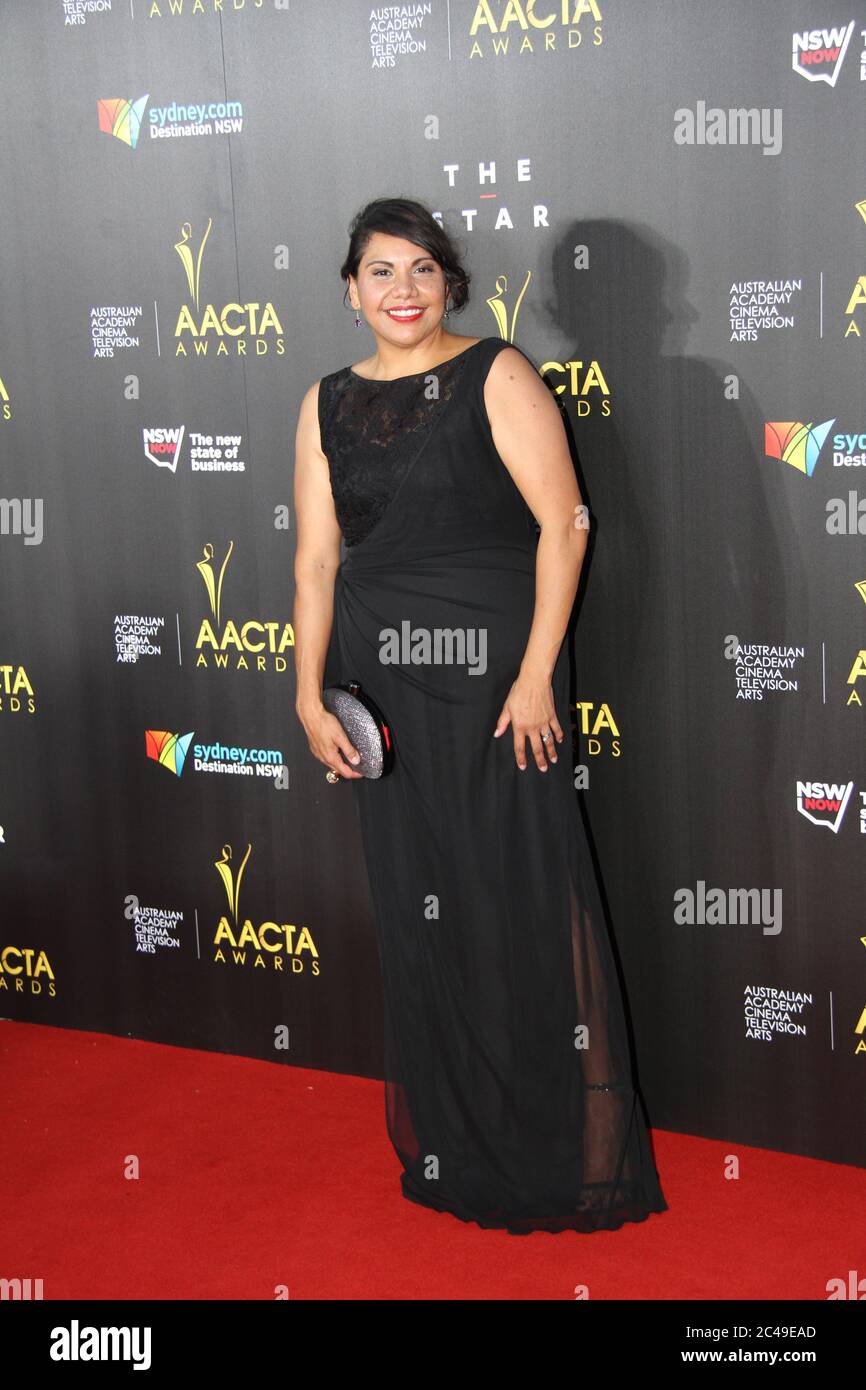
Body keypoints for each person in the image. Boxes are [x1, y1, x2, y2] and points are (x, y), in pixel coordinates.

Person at [292, 196, 668, 1235]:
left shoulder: (495, 372)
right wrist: (304, 691)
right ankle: (461, 1138)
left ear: (448, 283)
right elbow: (317, 560)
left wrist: (538, 671)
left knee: (524, 894)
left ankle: (563, 1148)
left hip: (501, 676)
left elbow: (564, 523)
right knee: (427, 899)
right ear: (349, 287)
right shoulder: (323, 400)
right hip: (388, 684)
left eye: (419, 269)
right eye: (379, 271)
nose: (400, 290)